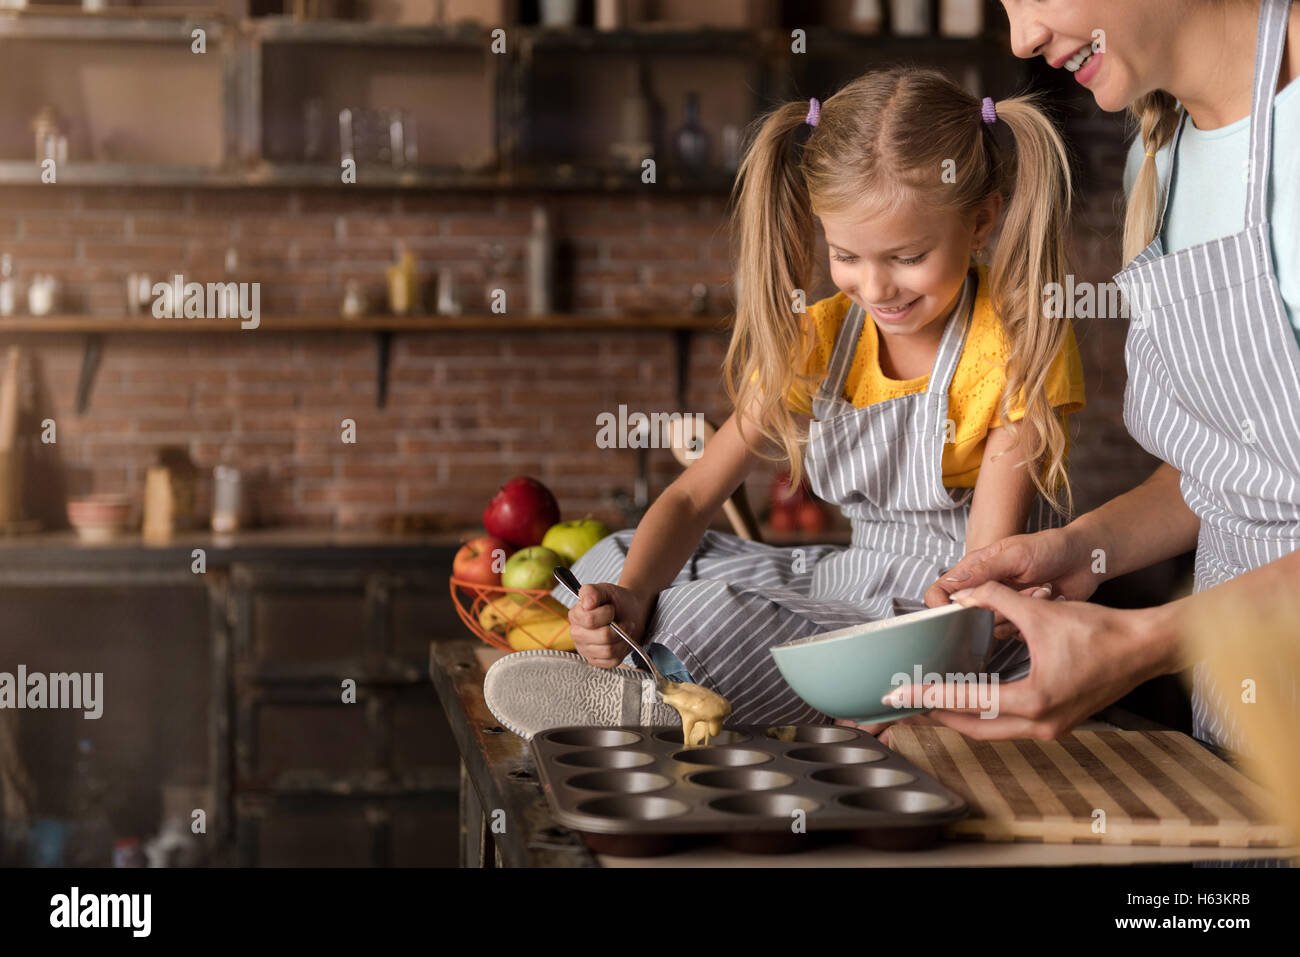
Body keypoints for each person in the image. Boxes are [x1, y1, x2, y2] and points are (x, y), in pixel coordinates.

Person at [485, 67, 1085, 739]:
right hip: (851, 576)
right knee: (608, 561)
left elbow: (981, 585)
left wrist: (893, 670)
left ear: (981, 219)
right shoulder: (823, 336)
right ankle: (652, 660)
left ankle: (654, 695)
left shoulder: (1015, 344)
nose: (876, 286)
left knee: (705, 614)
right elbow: (691, 498)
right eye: (847, 256)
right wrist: (627, 595)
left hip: (953, 615)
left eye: (907, 256)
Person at [916, 0, 1300, 754]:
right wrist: (1082, 549)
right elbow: (1242, 477)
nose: (1023, 36)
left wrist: (1143, 642)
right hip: (1251, 730)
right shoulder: (1157, 160)